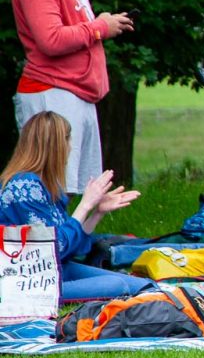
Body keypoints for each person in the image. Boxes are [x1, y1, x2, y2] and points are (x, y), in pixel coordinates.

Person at [9, 0, 132, 194]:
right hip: (52, 94)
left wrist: (99, 23)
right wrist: (101, 27)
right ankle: (51, 242)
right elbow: (51, 39)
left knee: (79, 191)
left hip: (74, 92)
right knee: (51, 191)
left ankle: (76, 242)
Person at [0, 111, 150, 301]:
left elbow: (73, 249)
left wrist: (97, 213)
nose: (71, 148)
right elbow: (53, 249)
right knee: (117, 285)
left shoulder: (45, 185)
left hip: (57, 271)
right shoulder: (23, 188)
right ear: (57, 146)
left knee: (141, 285)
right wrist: (85, 205)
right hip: (26, 283)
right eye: (68, 140)